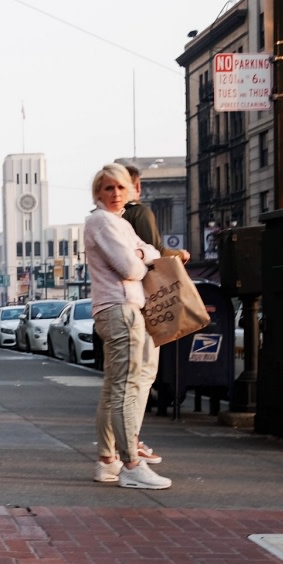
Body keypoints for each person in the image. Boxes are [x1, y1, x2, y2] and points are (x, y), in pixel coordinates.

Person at [84, 163, 171, 490]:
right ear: (98, 192)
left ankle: (108, 460)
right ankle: (131, 464)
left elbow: (150, 250)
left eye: (121, 187)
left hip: (119, 308)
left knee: (113, 388)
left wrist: (140, 253)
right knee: (125, 387)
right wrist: (141, 257)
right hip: (120, 308)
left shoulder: (117, 222)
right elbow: (131, 268)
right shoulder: (102, 222)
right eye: (108, 187)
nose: (116, 193)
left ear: (131, 190)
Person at [119, 164, 192, 465]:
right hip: (145, 302)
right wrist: (180, 255)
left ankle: (119, 447)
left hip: (120, 304)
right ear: (138, 187)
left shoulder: (111, 221)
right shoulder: (140, 214)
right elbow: (155, 254)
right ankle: (130, 443)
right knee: (143, 374)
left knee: (124, 379)